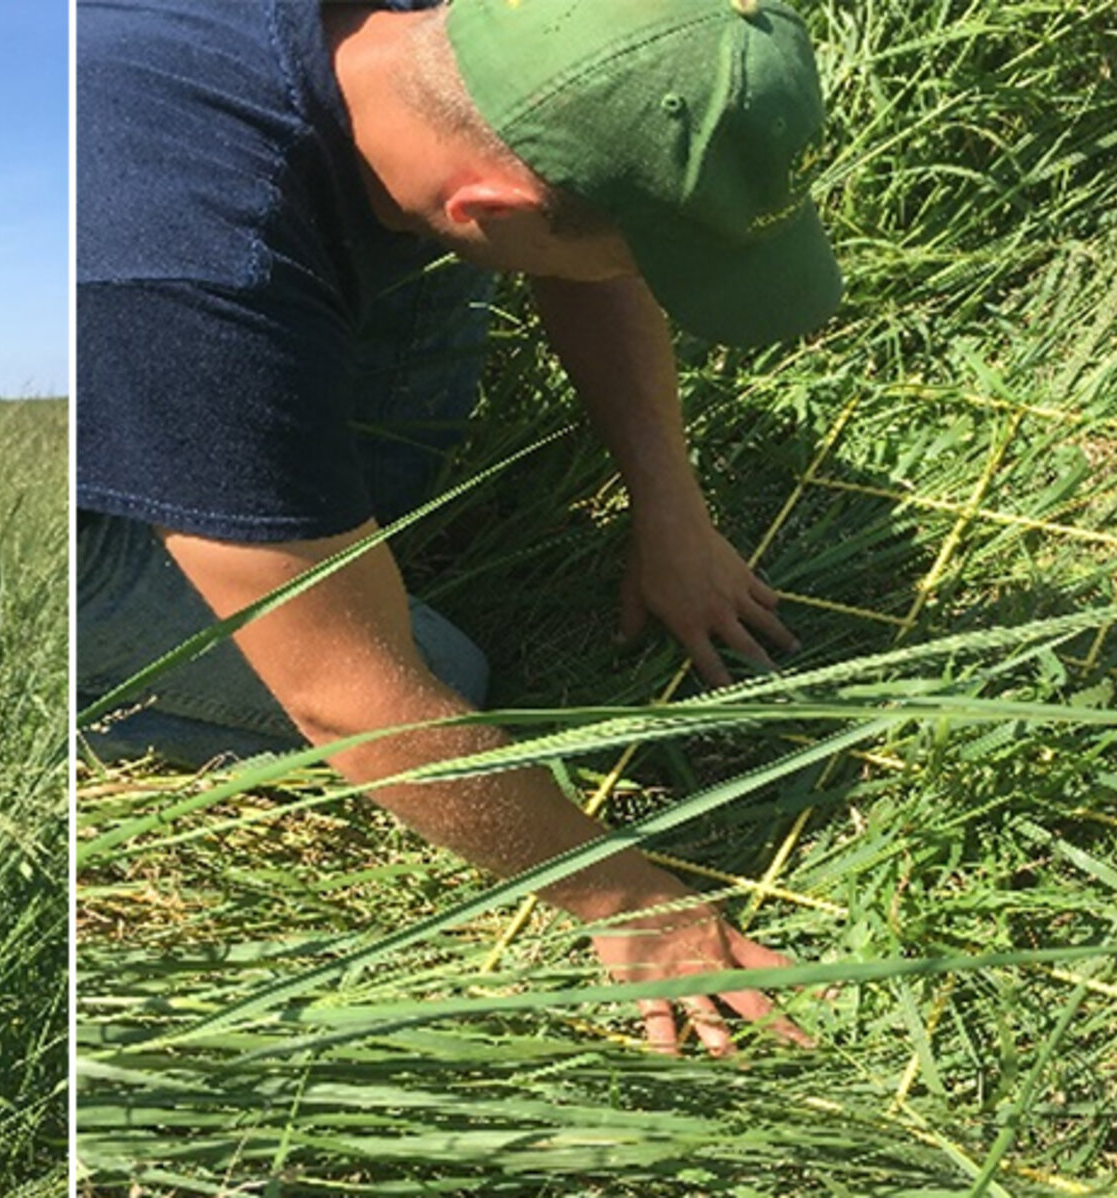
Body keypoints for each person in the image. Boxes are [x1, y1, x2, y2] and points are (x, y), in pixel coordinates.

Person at [77, 0, 840, 1056]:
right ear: (487, 208)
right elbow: (350, 698)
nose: (648, 286)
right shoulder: (193, 273)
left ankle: (255, 485)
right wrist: (626, 901)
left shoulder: (488, 37)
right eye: (650, 264)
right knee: (438, 674)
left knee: (419, 389)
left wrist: (669, 509)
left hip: (193, 240)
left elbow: (570, 226)